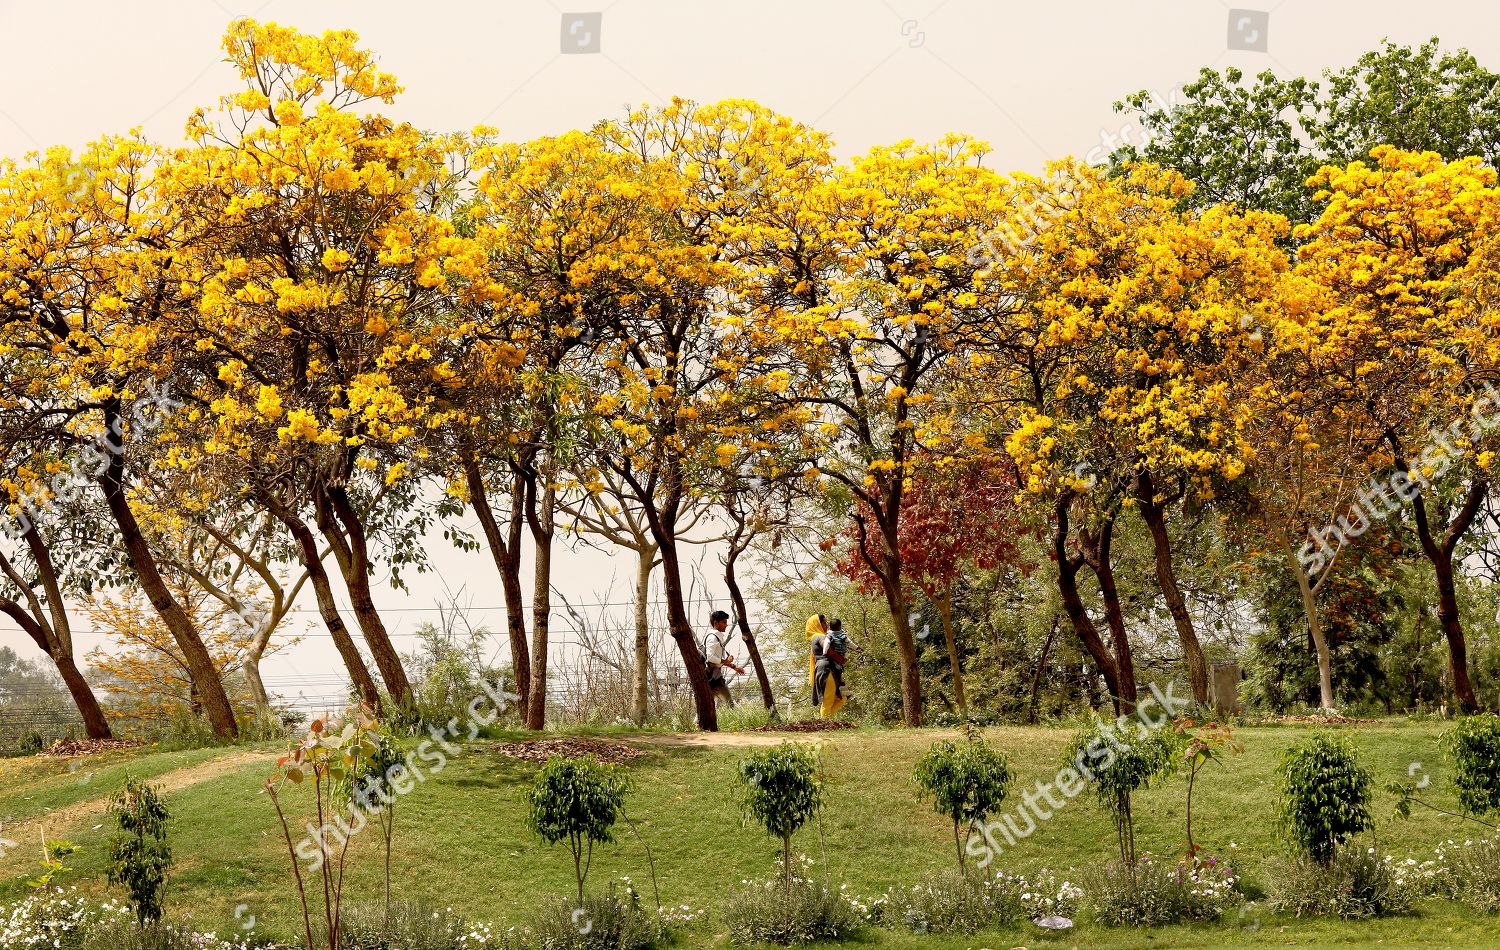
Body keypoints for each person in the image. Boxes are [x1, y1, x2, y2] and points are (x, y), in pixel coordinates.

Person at [807, 614, 850, 718]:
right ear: (817, 624)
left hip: (832, 669)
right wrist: (841, 659)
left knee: (842, 698)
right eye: (824, 622)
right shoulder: (819, 637)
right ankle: (825, 724)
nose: (827, 625)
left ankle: (827, 720)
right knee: (828, 699)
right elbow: (829, 651)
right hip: (826, 669)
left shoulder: (819, 636)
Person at [703, 609, 745, 707]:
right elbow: (710, 658)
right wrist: (726, 661)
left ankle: (697, 722)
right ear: (716, 623)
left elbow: (717, 660)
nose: (726, 625)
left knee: (708, 706)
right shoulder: (712, 638)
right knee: (730, 704)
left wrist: (734, 667)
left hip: (713, 678)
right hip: (714, 678)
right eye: (724, 622)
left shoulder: (717, 637)